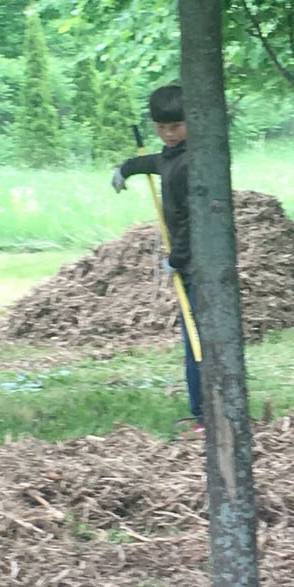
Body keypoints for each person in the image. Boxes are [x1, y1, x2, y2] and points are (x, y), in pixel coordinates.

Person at [111, 84, 199, 424]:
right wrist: (127, 168)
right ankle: (201, 409)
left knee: (196, 342)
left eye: (175, 127)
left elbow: (194, 221)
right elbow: (156, 161)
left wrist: (176, 259)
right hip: (186, 262)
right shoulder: (172, 156)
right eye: (161, 128)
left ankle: (202, 412)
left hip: (194, 264)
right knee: (191, 340)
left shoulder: (191, 163)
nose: (169, 134)